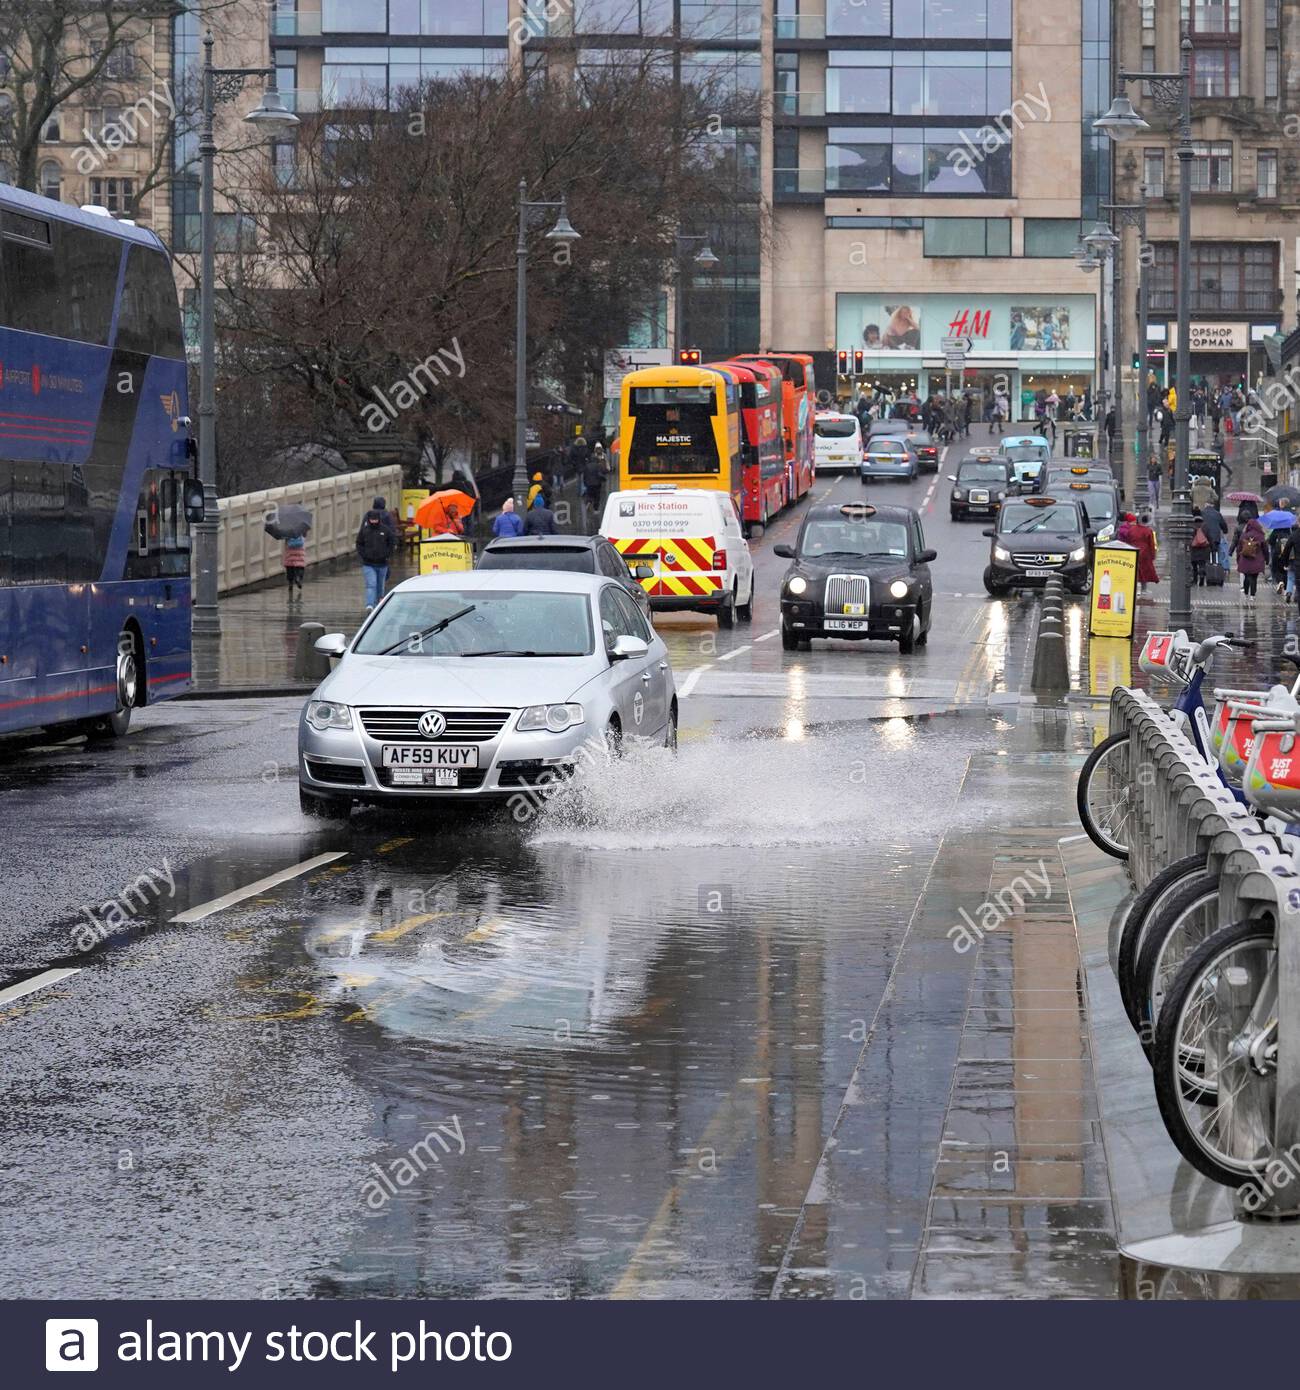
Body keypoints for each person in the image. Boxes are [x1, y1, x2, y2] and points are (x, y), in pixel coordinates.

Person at [356, 495, 397, 612]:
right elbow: (392, 535)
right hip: (379, 561)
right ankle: (374, 603)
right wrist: (388, 553)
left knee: (373, 584)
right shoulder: (387, 516)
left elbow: (359, 541)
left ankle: (373, 603)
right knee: (378, 584)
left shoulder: (367, 517)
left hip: (374, 560)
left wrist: (363, 554)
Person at [1232, 514, 1268, 599]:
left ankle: (1246, 593)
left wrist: (1238, 558)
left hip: (1245, 561)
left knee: (1247, 576)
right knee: (1254, 578)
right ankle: (1253, 595)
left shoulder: (1244, 535)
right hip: (1257, 561)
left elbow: (1239, 548)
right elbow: (1265, 549)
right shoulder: (1260, 536)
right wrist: (1267, 559)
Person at [1129, 511, 1159, 594]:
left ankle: (1134, 589)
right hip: (1145, 553)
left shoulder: (1132, 529)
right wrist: (1153, 555)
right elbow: (1152, 544)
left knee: (1135, 571)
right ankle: (1143, 589)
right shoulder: (1148, 530)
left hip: (1133, 551)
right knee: (1145, 571)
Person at [1200, 500, 1228, 571]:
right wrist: (1225, 531)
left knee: (1204, 555)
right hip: (1215, 538)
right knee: (1215, 553)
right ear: (1213, 506)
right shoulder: (1217, 514)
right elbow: (1224, 526)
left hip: (1204, 538)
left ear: (1205, 505)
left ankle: (1204, 569)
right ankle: (1215, 570)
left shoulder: (1202, 513)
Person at [583, 443, 609, 517]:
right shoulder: (598, 465)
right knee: (597, 496)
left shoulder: (587, 466)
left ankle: (588, 501)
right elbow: (602, 472)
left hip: (589, 483)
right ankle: (596, 510)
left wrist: (585, 483)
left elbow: (584, 476)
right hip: (597, 484)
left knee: (590, 494)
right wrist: (603, 478)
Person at [1190, 508, 1211, 586]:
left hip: (1194, 549)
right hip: (1204, 548)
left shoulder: (1191, 525)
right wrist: (1212, 546)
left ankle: (1195, 580)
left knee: (1194, 565)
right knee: (1202, 564)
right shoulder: (1205, 525)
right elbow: (1209, 537)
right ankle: (1202, 578)